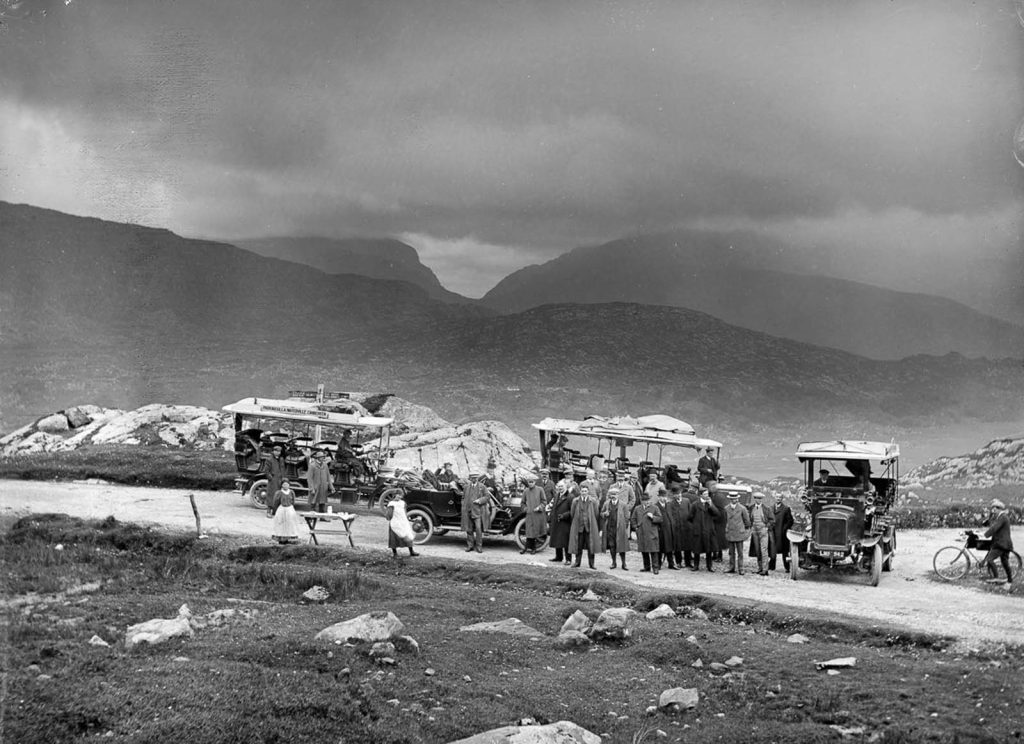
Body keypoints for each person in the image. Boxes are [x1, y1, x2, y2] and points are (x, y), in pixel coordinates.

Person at [600, 478, 631, 570]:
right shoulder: (606, 504)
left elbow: (627, 517)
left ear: (618, 495)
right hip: (609, 527)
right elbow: (601, 514)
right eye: (612, 494)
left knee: (621, 546)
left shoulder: (623, 505)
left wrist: (624, 527)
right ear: (609, 495)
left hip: (620, 528)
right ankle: (613, 562)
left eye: (615, 494)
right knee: (612, 546)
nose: (614, 496)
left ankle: (624, 563)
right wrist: (604, 514)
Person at [630, 488, 663, 574]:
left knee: (653, 550)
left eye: (648, 500)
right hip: (641, 532)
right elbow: (633, 519)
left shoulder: (655, 508)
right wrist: (635, 527)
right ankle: (646, 567)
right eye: (644, 500)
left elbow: (660, 519)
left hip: (652, 532)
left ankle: (655, 567)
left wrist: (653, 517)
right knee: (644, 550)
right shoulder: (637, 508)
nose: (647, 502)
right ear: (641, 501)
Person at [568, 484, 601, 568]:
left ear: (588, 492)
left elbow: (596, 514)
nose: (584, 493)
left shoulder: (593, 501)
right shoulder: (575, 501)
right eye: (582, 491)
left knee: (591, 546)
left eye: (585, 491)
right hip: (579, 527)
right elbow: (572, 513)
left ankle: (591, 564)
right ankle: (577, 562)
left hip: (589, 527)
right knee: (578, 546)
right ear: (580, 492)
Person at [688, 487, 720, 571]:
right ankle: (696, 565)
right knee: (697, 549)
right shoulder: (695, 504)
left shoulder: (710, 503)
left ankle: (709, 566)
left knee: (709, 548)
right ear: (700, 495)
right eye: (705, 494)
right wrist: (696, 524)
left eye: (707, 494)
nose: (707, 496)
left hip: (708, 530)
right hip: (698, 530)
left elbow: (717, 514)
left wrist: (711, 505)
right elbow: (690, 517)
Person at [983, 499, 1015, 584]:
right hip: (1005, 544)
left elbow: (994, 528)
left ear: (999, 509)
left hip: (1001, 544)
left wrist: (985, 535)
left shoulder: (1003, 517)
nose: (993, 511)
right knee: (1005, 562)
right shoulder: (1000, 517)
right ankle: (1009, 580)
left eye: (994, 509)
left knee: (989, 559)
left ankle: (996, 578)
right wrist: (990, 516)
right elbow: (990, 524)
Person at [385, 485, 420, 558]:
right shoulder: (392, 504)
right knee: (394, 538)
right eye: (398, 495)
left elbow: (405, 511)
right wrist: (390, 518)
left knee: (408, 535)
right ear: (394, 495)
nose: (399, 497)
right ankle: (395, 553)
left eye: (400, 495)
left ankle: (411, 551)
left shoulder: (403, 503)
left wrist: (406, 518)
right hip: (395, 522)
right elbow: (389, 515)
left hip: (403, 521)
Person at [461, 472, 492, 553]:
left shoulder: (482, 486)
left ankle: (479, 547)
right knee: (469, 529)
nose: (474, 479)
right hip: (468, 511)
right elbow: (463, 497)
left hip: (478, 512)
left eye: (476, 478)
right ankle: (470, 546)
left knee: (478, 529)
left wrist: (480, 500)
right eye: (473, 478)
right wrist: (464, 505)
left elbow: (487, 496)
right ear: (470, 478)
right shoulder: (466, 487)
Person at [747, 491, 775, 576]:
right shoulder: (751, 508)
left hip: (763, 530)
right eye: (756, 498)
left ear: (761, 499)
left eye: (759, 498)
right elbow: (749, 518)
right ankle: (760, 568)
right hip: (755, 531)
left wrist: (767, 527)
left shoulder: (767, 508)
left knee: (764, 550)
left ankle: (765, 569)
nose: (758, 500)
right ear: (754, 499)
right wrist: (750, 527)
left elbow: (772, 520)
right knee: (757, 550)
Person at [520, 473, 548, 554]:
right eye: (529, 482)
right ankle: (526, 548)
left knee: (536, 532)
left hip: (538, 514)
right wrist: (526, 509)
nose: (531, 483)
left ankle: (533, 548)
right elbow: (522, 503)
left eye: (532, 482)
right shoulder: (526, 491)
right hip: (529, 514)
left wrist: (539, 507)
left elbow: (544, 501)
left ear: (535, 482)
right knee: (529, 532)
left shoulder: (540, 490)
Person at [723, 492, 752, 574]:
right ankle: (731, 567)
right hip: (730, 533)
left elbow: (747, 521)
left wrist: (745, 531)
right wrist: (726, 529)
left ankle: (741, 568)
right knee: (731, 552)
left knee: (740, 553)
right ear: (730, 499)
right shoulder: (726, 508)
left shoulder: (742, 508)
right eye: (732, 498)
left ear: (738, 499)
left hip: (739, 533)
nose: (734, 500)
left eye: (735, 498)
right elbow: (724, 520)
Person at [548, 480, 575, 564]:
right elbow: (553, 508)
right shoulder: (556, 495)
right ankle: (558, 557)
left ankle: (568, 559)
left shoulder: (570, 497)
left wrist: (564, 515)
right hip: (556, 521)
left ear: (566, 487)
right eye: (559, 486)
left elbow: (573, 510)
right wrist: (551, 518)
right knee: (557, 539)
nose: (560, 488)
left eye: (562, 486)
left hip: (565, 522)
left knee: (566, 541)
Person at [663, 485, 690, 569]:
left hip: (686, 527)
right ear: (673, 495)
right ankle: (679, 562)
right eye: (676, 494)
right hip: (677, 528)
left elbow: (690, 513)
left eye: (679, 493)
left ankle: (688, 562)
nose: (678, 495)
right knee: (678, 546)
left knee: (687, 546)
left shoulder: (686, 501)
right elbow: (670, 515)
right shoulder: (670, 504)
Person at [271, 480, 305, 544]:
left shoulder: (291, 492)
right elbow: (276, 502)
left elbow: (293, 501)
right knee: (281, 524)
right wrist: (274, 511)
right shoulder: (279, 493)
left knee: (291, 524)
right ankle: (282, 539)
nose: (286, 486)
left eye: (287, 484)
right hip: (282, 510)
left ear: (289, 485)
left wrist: (290, 507)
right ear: (282, 485)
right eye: (284, 484)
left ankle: (290, 538)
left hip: (289, 509)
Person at [768, 493, 795, 572]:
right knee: (772, 549)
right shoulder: (771, 508)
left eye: (780, 497)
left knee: (785, 551)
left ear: (782, 499)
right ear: (775, 498)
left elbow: (790, 521)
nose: (778, 498)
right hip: (772, 532)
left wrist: (784, 529)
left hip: (782, 533)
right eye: (777, 497)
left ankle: (787, 568)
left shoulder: (786, 508)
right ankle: (772, 566)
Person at [306, 448, 334, 513]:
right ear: (318, 458)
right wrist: (311, 488)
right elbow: (309, 478)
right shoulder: (312, 466)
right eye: (321, 457)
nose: (323, 458)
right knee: (313, 502)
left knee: (322, 502)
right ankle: (312, 517)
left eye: (323, 457)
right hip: (315, 487)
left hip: (323, 487)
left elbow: (328, 477)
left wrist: (331, 487)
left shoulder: (325, 465)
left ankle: (322, 517)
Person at [708, 480, 728, 561]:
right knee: (715, 538)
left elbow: (720, 510)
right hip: (717, 519)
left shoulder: (718, 496)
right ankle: (715, 554)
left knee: (718, 538)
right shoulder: (714, 495)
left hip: (719, 520)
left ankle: (719, 556)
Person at [264, 444, 285, 518]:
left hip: (280, 479)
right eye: (277, 451)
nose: (278, 453)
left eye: (279, 451)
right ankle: (268, 511)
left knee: (278, 496)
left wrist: (283, 479)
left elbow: (283, 469)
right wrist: (271, 478)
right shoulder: (269, 459)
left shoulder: (281, 459)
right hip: (273, 480)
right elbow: (266, 471)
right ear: (273, 451)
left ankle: (275, 512)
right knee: (271, 495)